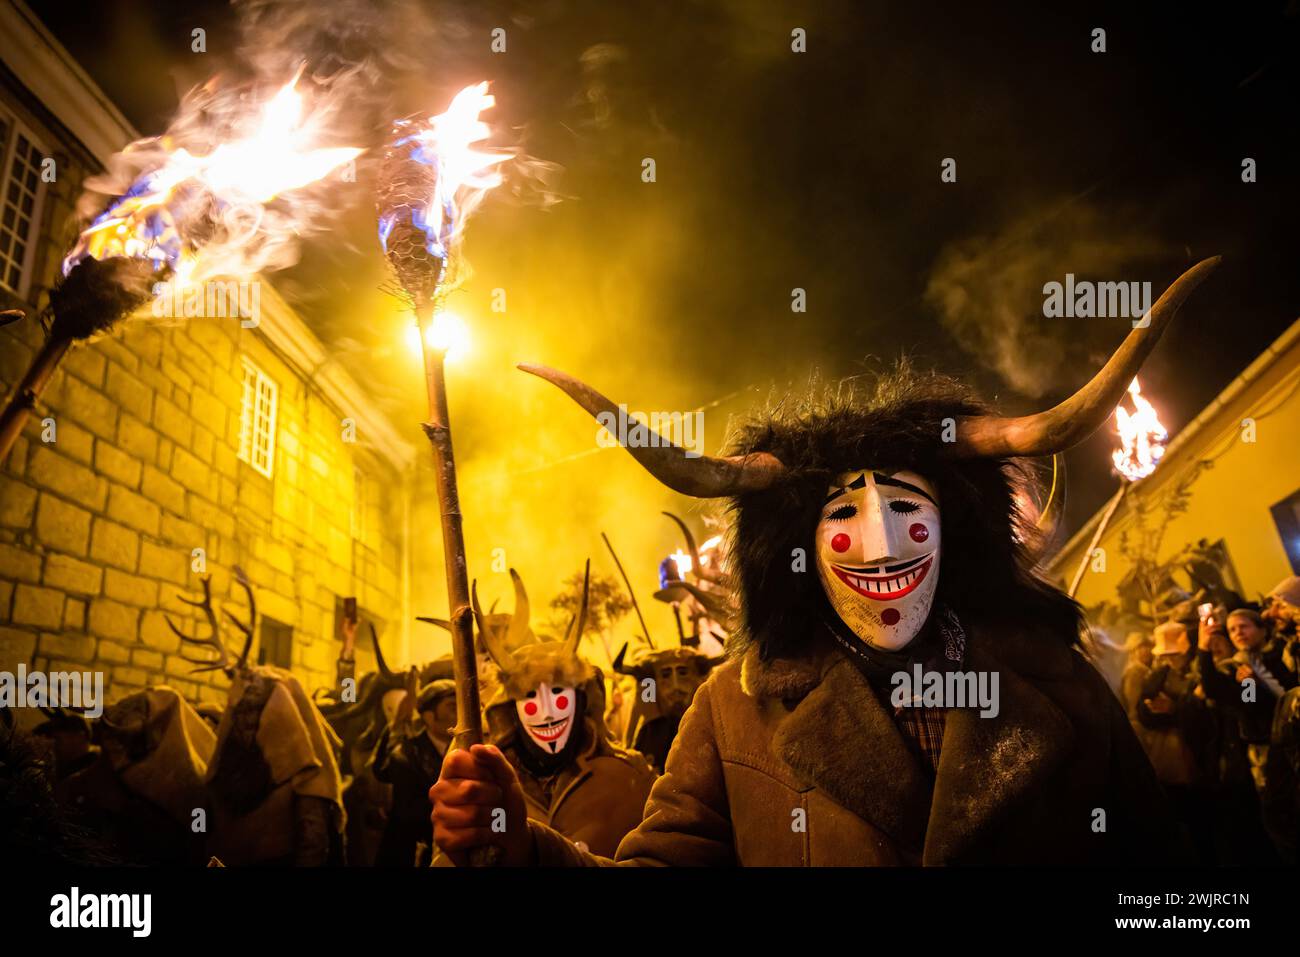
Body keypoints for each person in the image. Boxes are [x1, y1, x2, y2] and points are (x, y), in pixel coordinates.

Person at [430, 259, 1219, 866]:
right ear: (800, 548)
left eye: (909, 509)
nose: (881, 544)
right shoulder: (734, 707)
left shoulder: (1058, 680)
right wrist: (520, 841)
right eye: (843, 514)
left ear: (955, 529)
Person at [369, 675, 456, 866]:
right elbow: (411, 812)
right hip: (410, 853)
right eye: (451, 706)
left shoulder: (464, 750)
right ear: (429, 716)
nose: (459, 714)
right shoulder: (406, 754)